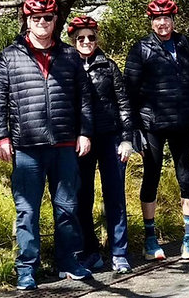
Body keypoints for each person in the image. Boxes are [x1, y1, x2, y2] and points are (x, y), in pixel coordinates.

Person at [0, 0, 94, 291]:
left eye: (48, 18)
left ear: (55, 20)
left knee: (67, 207)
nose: (42, 23)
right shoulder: (10, 55)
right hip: (27, 146)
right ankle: (26, 268)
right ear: (27, 20)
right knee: (27, 211)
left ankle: (68, 261)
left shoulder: (70, 56)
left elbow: (85, 98)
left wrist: (85, 132)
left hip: (64, 144)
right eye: (36, 18)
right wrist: (1, 136)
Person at [124, 0, 189, 260]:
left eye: (166, 18)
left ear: (173, 20)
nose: (162, 23)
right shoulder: (141, 49)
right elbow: (128, 92)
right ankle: (150, 239)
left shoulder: (185, 44)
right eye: (157, 19)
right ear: (151, 22)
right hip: (151, 125)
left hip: (182, 122)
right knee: (151, 177)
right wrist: (133, 129)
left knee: (186, 178)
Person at [68, 15, 134, 275]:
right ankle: (90, 252)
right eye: (81, 38)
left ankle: (119, 252)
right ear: (73, 41)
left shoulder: (109, 66)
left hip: (110, 136)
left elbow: (124, 103)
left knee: (114, 196)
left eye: (91, 37)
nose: (86, 41)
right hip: (81, 139)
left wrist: (126, 138)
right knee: (82, 197)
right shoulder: (68, 65)